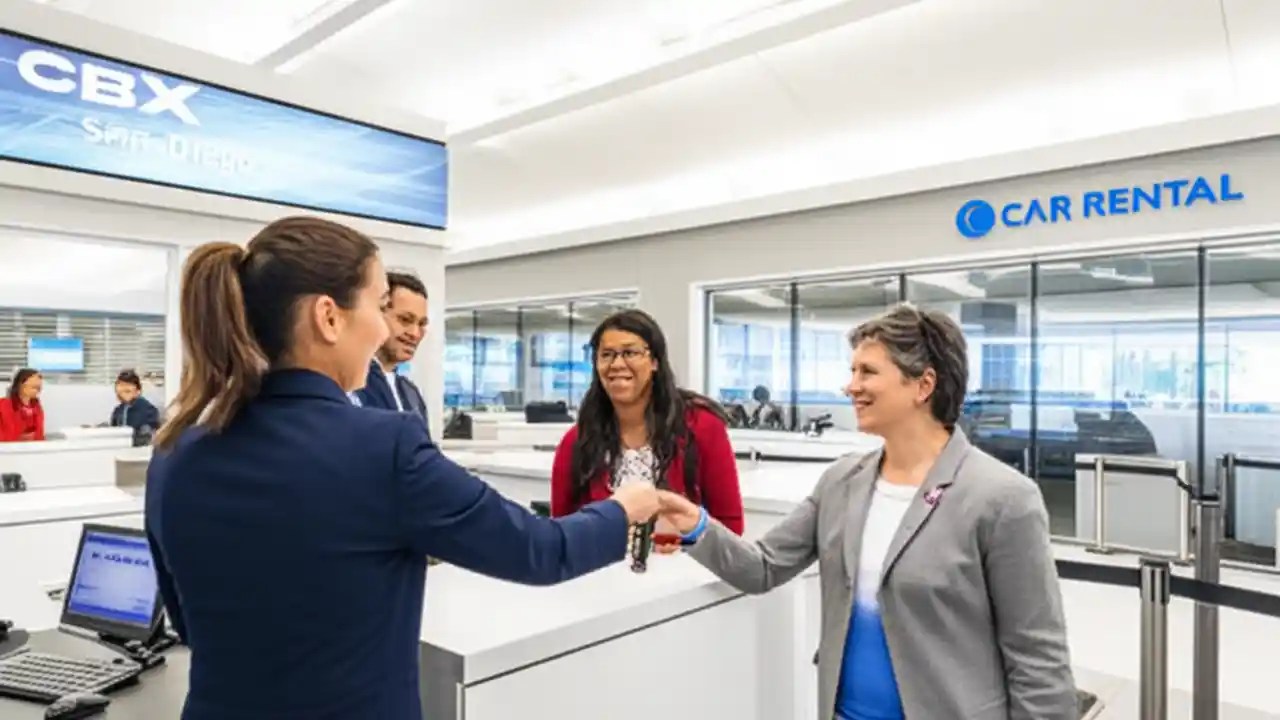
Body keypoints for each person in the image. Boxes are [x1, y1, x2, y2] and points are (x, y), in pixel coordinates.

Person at [145, 216, 659, 720]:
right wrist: (627, 507)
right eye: (380, 305)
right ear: (329, 316)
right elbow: (541, 551)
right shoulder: (382, 447)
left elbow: (190, 626)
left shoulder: (175, 453)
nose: (383, 328)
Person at [655, 303, 1076, 720]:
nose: (850, 386)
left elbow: (1038, 660)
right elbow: (763, 567)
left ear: (923, 385)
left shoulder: (1002, 498)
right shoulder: (842, 483)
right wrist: (694, 524)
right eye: (852, 371)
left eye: (867, 372)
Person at [551, 309, 745, 535]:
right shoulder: (578, 441)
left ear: (654, 361)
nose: (617, 364)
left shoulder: (701, 426)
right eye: (606, 354)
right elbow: (562, 535)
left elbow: (730, 528)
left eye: (630, 353)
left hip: (685, 567)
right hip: (604, 569)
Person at [354, 271, 431, 438]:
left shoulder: (411, 393)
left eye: (422, 324)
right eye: (405, 320)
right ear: (378, 313)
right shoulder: (352, 386)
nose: (415, 333)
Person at [109, 369, 160, 446]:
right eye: (121, 385)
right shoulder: (118, 410)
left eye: (128, 387)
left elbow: (149, 436)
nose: (123, 388)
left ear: (138, 390)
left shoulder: (149, 410)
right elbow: (113, 432)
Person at [0, 368, 45, 442]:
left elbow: (39, 433)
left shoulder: (36, 407)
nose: (37, 391)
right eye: (33, 387)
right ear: (20, 385)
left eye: (38, 388)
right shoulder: (5, 405)